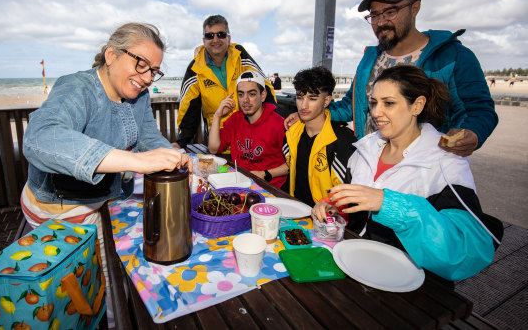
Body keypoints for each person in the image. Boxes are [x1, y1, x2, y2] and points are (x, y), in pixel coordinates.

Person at [21, 23, 192, 326]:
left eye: (154, 70)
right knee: (100, 288)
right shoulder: (77, 88)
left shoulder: (138, 98)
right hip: (59, 210)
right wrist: (135, 161)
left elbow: (148, 137)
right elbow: (40, 138)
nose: (148, 78)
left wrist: (173, 155)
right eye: (141, 64)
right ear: (111, 54)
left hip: (105, 201)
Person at [313, 65, 503, 282]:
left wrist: (391, 205)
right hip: (357, 268)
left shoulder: (446, 162)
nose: (376, 112)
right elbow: (351, 210)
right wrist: (332, 206)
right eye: (374, 103)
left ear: (418, 105)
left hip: (413, 287)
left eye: (389, 103)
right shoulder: (364, 150)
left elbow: (465, 251)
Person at [286, 0, 497, 157]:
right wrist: (313, 112)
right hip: (370, 164)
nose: (380, 22)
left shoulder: (453, 55)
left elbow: (479, 109)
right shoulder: (370, 60)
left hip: (424, 167)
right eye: (374, 15)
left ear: (415, 8)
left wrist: (472, 132)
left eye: (390, 12)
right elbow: (351, 106)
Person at [174, 15, 276, 149]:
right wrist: (181, 142)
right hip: (218, 143)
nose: (215, 39)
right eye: (210, 36)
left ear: (228, 39)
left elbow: (265, 90)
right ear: (204, 41)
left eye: (221, 34)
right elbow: (189, 108)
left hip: (250, 141)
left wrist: (273, 127)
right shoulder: (196, 68)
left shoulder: (241, 56)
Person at [283, 66, 357, 208]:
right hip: (295, 211)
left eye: (312, 98)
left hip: (326, 221)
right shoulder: (292, 134)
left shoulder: (343, 142)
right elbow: (292, 176)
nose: (304, 105)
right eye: (299, 97)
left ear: (327, 101)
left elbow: (349, 198)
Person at [208, 71, 288, 188]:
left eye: (252, 94)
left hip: (270, 187)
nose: (245, 100)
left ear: (263, 95)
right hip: (240, 183)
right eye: (241, 94)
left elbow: (292, 164)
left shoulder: (279, 124)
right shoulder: (235, 119)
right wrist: (217, 116)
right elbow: (213, 148)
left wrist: (265, 174)